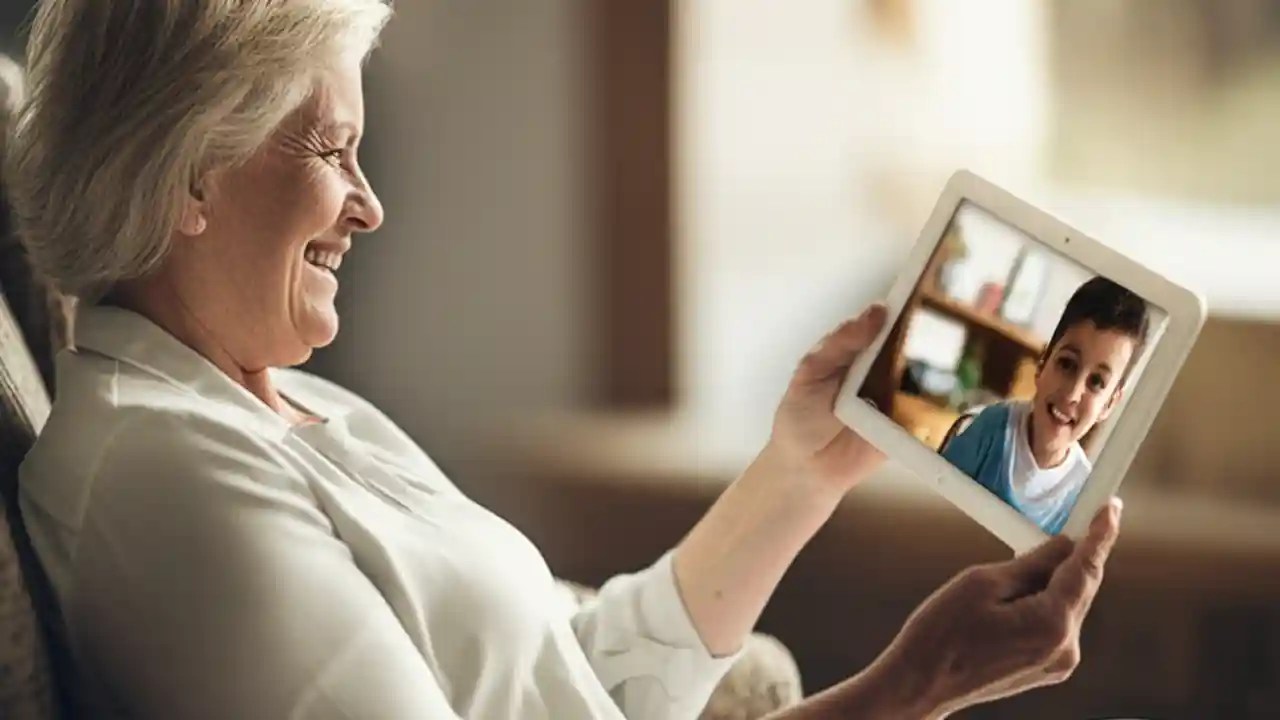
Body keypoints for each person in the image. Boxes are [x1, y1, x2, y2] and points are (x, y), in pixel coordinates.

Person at [5, 2, 1121, 718]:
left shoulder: (286, 409)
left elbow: (566, 680)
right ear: (188, 173)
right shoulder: (158, 483)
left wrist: (800, 472)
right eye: (333, 149)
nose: (369, 205)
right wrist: (908, 689)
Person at [943, 277, 1149, 533]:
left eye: (1096, 382)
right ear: (1042, 364)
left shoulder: (1085, 498)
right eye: (1067, 364)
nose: (1073, 393)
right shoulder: (987, 430)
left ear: (1109, 404)